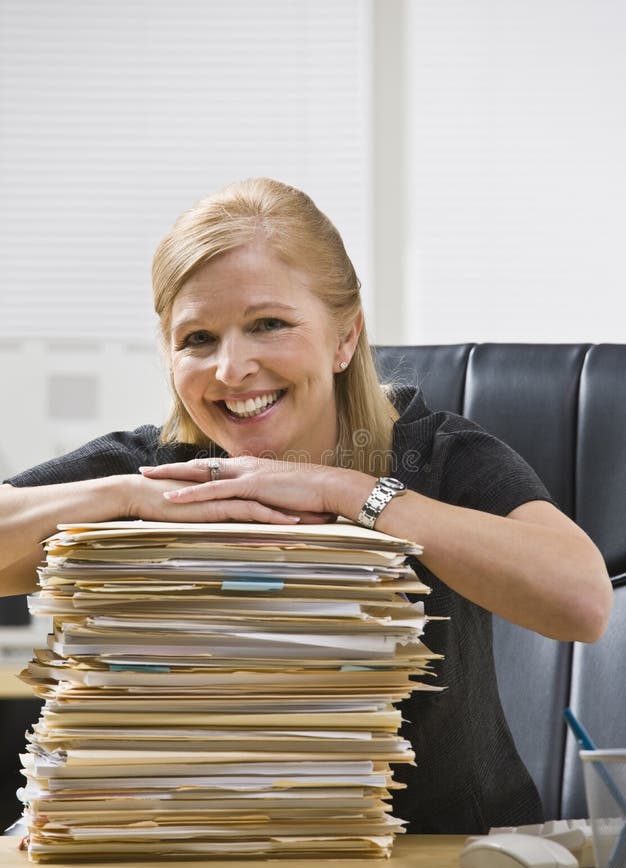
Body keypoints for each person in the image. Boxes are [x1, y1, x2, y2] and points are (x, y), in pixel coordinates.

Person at [0, 177, 612, 833]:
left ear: (345, 337)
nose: (231, 369)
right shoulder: (157, 466)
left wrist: (347, 491)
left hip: (431, 854)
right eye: (198, 338)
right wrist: (121, 495)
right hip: (196, 847)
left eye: (268, 325)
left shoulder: (433, 457)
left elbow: (581, 602)